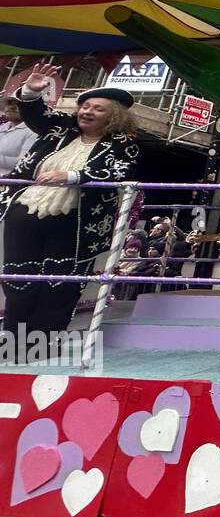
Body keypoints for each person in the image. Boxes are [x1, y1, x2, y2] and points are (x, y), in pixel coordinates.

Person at [0, 62, 140, 337]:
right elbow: (37, 115)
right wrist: (31, 91)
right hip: (24, 213)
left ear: (114, 116)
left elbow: (120, 171)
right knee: (19, 279)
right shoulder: (60, 129)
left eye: (98, 109)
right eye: (85, 106)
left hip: (74, 223)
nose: (88, 112)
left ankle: (43, 343)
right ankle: (13, 340)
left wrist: (74, 176)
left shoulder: (123, 144)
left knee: (60, 286)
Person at [0, 94, 37, 176]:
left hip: (10, 180)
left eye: (18, 104)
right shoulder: (2, 128)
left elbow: (24, 162)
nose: (11, 107)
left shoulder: (33, 131)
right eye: (8, 103)